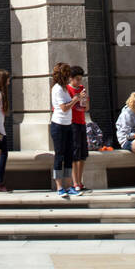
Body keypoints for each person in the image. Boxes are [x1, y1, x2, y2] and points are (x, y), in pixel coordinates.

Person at [50, 62, 86, 197]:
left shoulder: (64, 88)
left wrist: (77, 99)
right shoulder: (57, 89)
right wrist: (75, 99)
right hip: (58, 125)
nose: (69, 76)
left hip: (67, 124)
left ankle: (70, 185)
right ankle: (60, 186)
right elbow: (64, 108)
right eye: (67, 73)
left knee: (69, 155)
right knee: (60, 155)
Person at [68, 65, 89, 194]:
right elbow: (66, 107)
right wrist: (77, 98)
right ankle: (75, 182)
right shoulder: (68, 90)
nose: (79, 82)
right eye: (77, 79)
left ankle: (80, 182)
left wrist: (84, 100)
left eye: (80, 79)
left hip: (82, 122)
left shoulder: (82, 89)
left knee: (82, 155)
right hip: (72, 123)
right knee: (75, 154)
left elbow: (86, 108)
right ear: (71, 78)